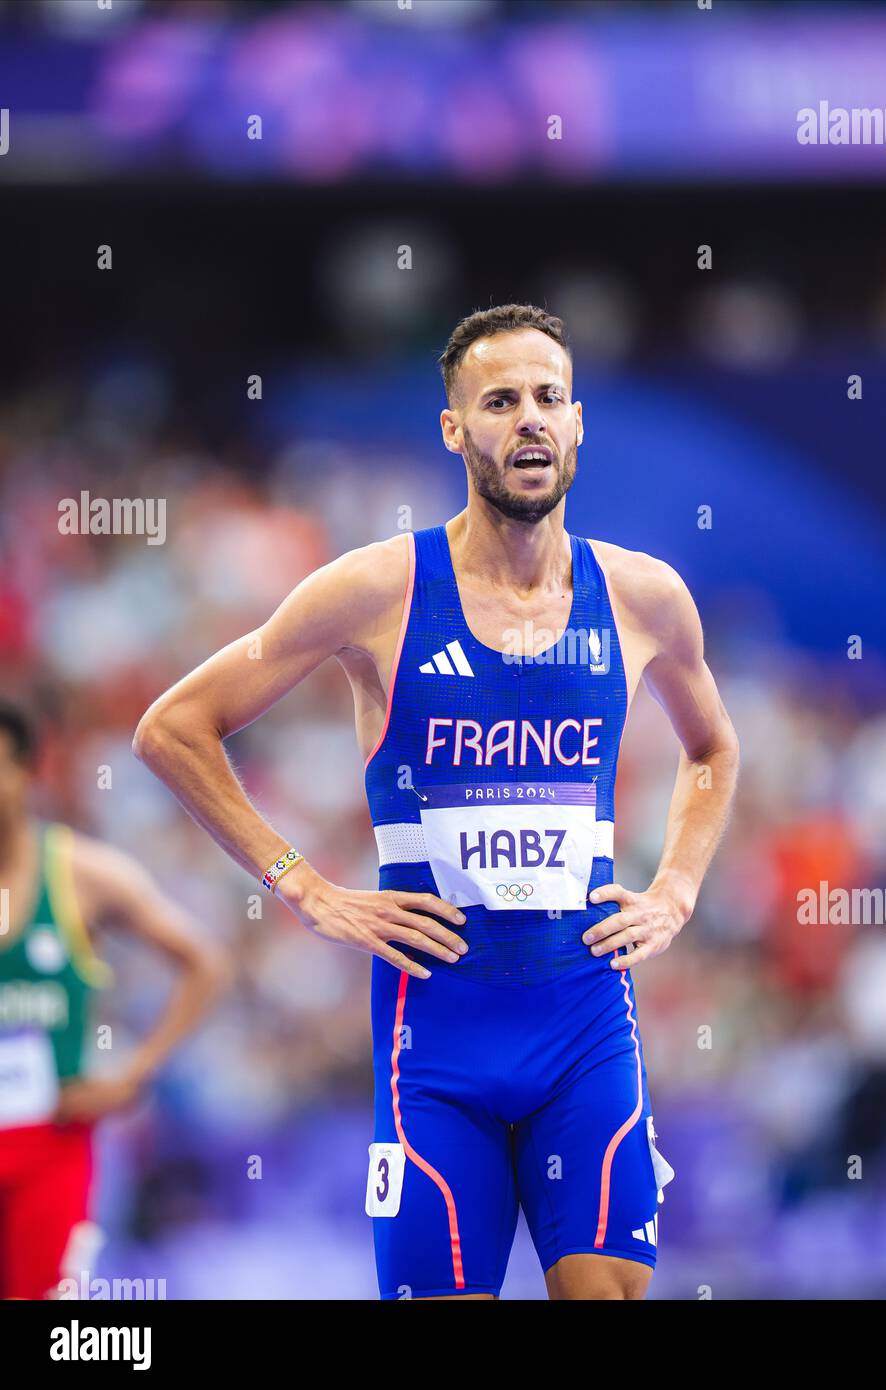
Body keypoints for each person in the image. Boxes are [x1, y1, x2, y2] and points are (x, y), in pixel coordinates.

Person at [133, 303, 740, 1300]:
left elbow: (711, 746)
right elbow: (171, 727)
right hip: (437, 1044)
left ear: (579, 421)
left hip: (586, 1023)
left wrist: (676, 886)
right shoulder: (377, 591)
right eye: (499, 401)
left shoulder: (642, 596)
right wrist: (305, 887)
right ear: (455, 429)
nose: (529, 420)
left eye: (548, 397)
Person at [0, 699, 230, 1300]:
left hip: (50, 1142)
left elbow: (203, 963)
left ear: (26, 772)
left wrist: (132, 1075)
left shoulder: (83, 875)